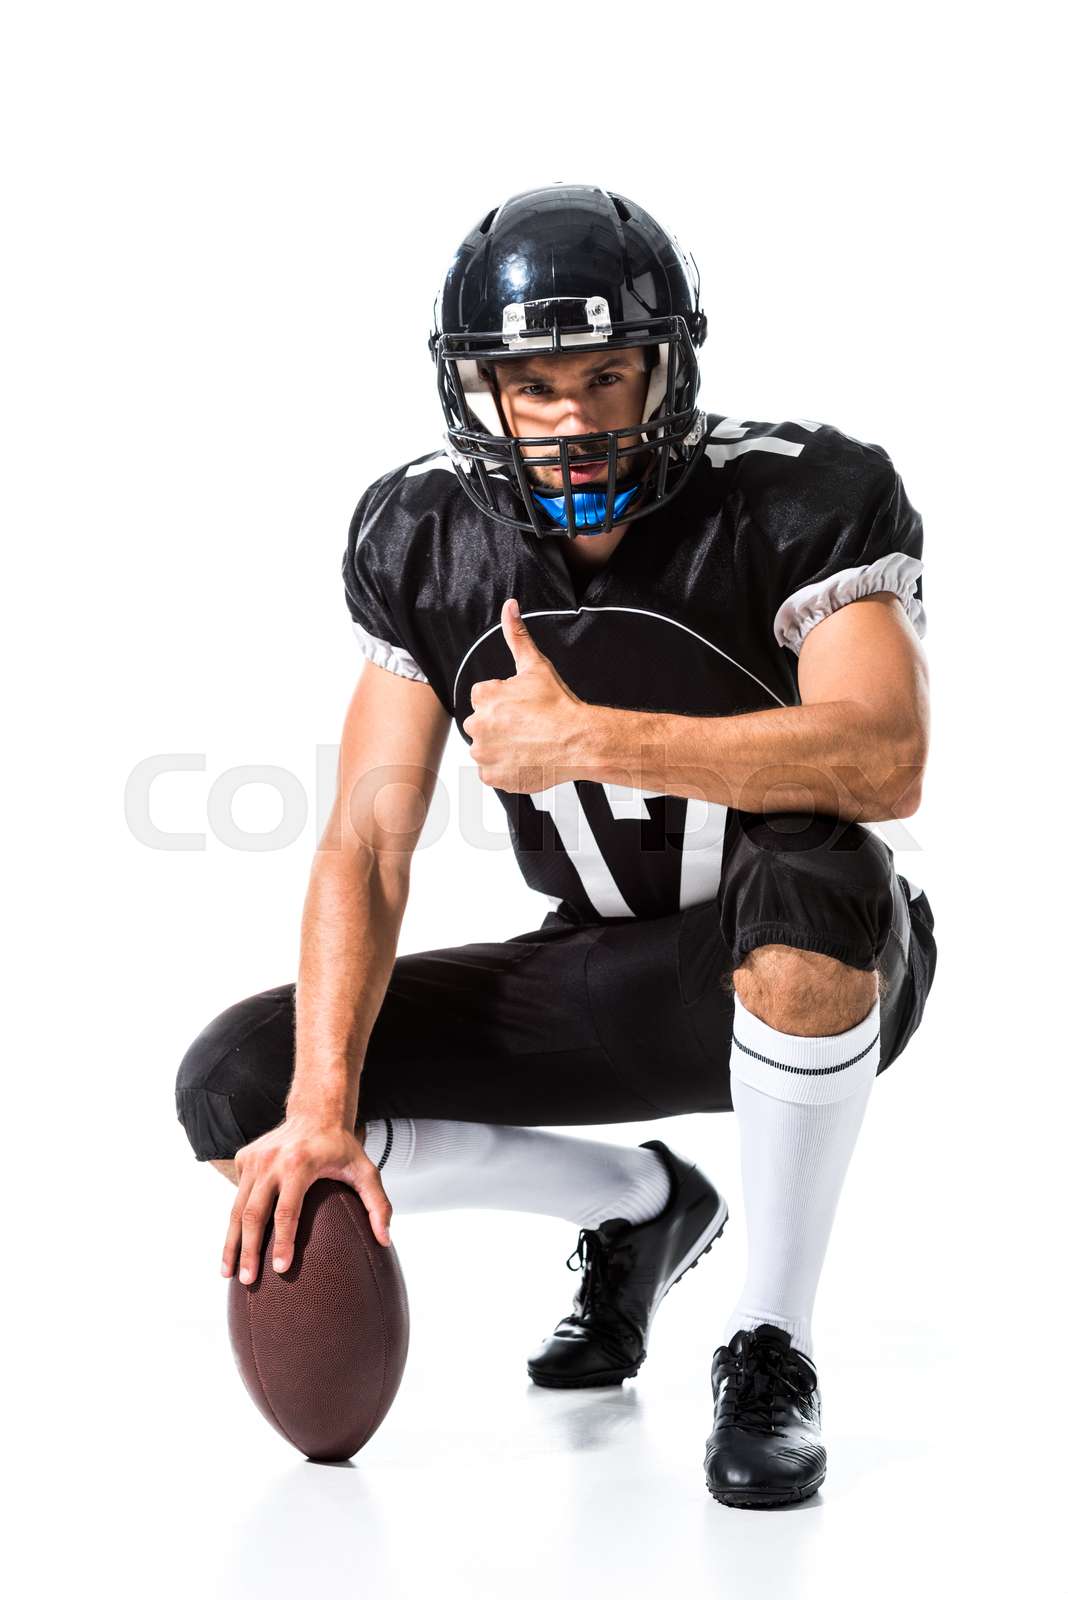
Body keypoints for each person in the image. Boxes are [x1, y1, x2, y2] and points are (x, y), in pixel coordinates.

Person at [174, 182, 937, 1509]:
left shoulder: (800, 492)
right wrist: (318, 1110)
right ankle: (644, 1204)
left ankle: (769, 1342)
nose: (575, 418)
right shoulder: (422, 534)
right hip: (605, 972)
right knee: (249, 1088)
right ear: (482, 394)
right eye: (536, 385)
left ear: (668, 370)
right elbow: (366, 836)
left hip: (825, 961)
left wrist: (595, 742)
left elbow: (884, 759)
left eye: (606, 374)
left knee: (815, 868)